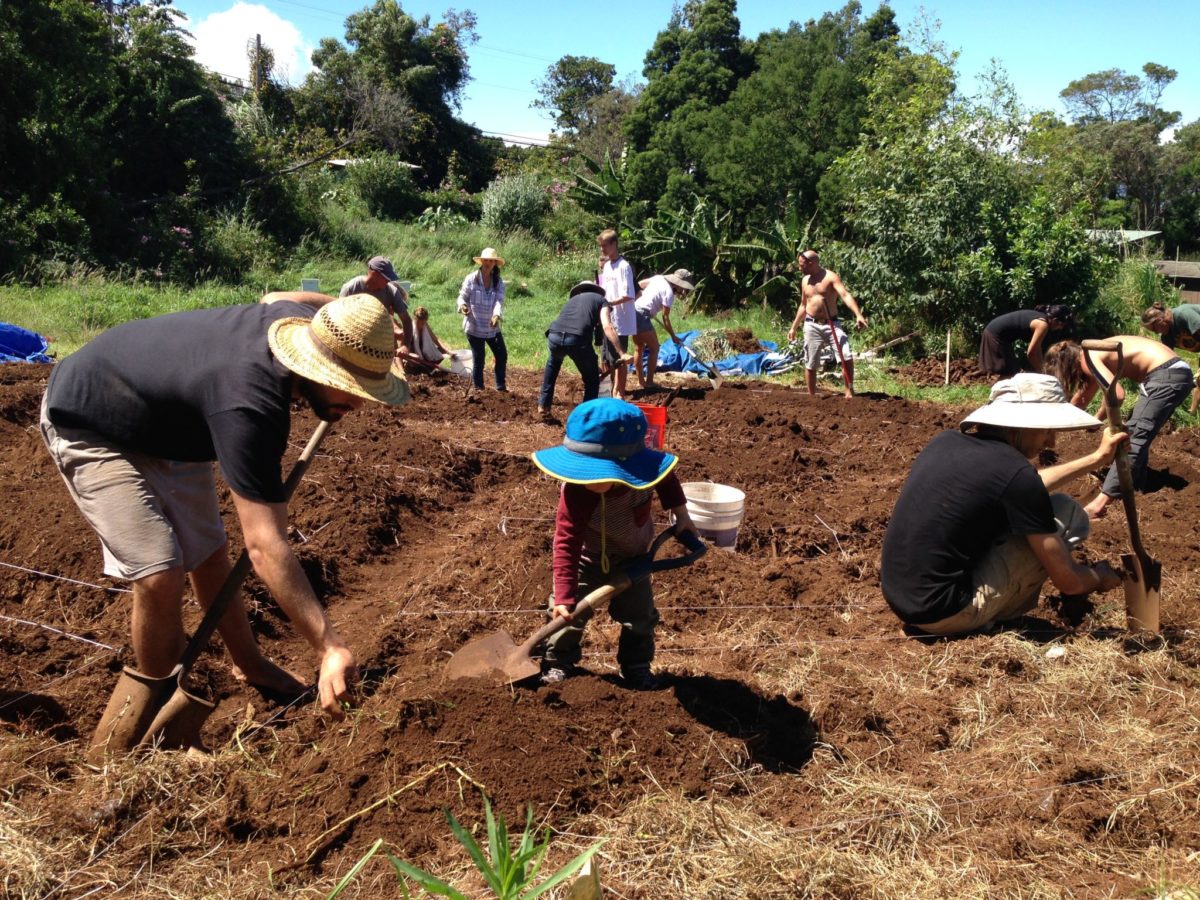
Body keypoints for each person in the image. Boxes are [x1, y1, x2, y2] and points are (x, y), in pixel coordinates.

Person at [39, 295, 410, 718]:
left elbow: (275, 297)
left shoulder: (314, 324)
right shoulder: (248, 403)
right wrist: (329, 647)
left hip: (171, 419)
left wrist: (364, 309)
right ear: (317, 364)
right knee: (160, 572)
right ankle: (155, 718)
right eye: (348, 385)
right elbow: (264, 546)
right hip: (92, 416)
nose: (358, 402)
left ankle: (249, 664)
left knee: (210, 555)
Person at [880, 374, 1126, 636]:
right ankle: (987, 618)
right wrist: (1098, 577)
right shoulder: (1016, 474)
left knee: (1037, 510)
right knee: (1066, 512)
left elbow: (1026, 485)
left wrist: (1097, 459)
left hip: (902, 598)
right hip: (946, 613)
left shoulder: (946, 441)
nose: (1051, 441)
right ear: (1022, 425)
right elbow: (1068, 581)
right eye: (1047, 430)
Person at [530, 399, 699, 689]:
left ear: (625, 465)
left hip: (635, 559)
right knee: (566, 616)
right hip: (588, 561)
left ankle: (636, 667)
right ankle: (557, 661)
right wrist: (563, 597)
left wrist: (681, 515)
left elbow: (667, 479)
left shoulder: (645, 473)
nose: (583, 477)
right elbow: (566, 543)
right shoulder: (576, 492)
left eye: (591, 470)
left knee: (641, 618)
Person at [1045, 336, 1192, 519]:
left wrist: (1097, 420)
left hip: (1164, 375)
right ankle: (1135, 486)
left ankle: (1099, 505)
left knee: (1131, 436)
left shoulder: (1087, 357)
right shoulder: (1092, 352)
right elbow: (1083, 398)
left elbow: (1117, 393)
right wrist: (1054, 424)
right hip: (1177, 372)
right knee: (1140, 432)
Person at [538, 281, 627, 420]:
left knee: (553, 364)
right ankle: (585, 417)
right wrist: (622, 353)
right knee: (592, 380)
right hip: (576, 339)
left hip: (554, 335)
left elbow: (592, 335)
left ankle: (543, 406)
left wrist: (592, 364)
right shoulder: (601, 300)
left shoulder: (573, 300)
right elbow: (607, 327)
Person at [786, 250, 868, 398]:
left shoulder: (830, 277)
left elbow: (845, 295)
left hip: (832, 323)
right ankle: (812, 396)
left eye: (801, 265)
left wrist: (858, 315)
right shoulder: (805, 280)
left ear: (811, 263)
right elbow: (803, 305)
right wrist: (794, 327)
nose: (799, 268)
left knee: (846, 355)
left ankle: (849, 390)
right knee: (811, 362)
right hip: (811, 324)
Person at [340, 256, 418, 364]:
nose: (388, 281)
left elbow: (407, 321)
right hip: (352, 341)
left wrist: (405, 346)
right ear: (374, 274)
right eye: (386, 278)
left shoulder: (391, 291)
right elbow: (339, 316)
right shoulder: (351, 288)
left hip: (378, 345)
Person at [632, 268, 694, 390]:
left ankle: (641, 382)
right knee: (655, 348)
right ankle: (649, 382)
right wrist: (673, 336)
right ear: (678, 283)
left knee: (639, 348)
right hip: (642, 315)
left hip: (634, 311)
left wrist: (640, 299)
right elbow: (666, 318)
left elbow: (639, 284)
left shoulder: (658, 278)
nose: (683, 290)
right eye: (683, 287)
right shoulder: (669, 293)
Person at [457, 247, 508, 392]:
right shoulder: (471, 278)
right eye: (486, 260)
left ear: (495, 263)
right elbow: (462, 296)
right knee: (479, 359)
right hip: (474, 326)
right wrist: (463, 306)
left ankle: (501, 387)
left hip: (492, 326)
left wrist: (496, 315)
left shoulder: (498, 281)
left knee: (501, 354)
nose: (488, 263)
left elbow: (499, 300)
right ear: (481, 261)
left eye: (491, 261)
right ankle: (479, 390)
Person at [978, 305, 1074, 377]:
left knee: (1011, 372)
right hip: (995, 335)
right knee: (1008, 373)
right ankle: (994, 399)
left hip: (999, 335)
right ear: (1055, 320)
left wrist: (1043, 368)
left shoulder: (1041, 319)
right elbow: (1031, 353)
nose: (1060, 328)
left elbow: (1037, 350)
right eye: (1062, 325)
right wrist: (1043, 374)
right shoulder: (1042, 325)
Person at [597, 229, 638, 400]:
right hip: (608, 317)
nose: (602, 250)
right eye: (601, 246)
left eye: (605, 246)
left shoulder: (624, 266)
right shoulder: (606, 266)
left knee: (621, 357)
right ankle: (607, 390)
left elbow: (629, 294)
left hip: (621, 319)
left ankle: (619, 391)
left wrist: (610, 303)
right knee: (606, 355)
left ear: (614, 244)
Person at [410, 306, 453, 371]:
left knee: (442, 355)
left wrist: (447, 351)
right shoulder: (411, 328)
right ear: (415, 319)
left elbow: (435, 339)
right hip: (414, 353)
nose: (421, 325)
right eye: (419, 322)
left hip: (425, 353)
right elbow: (407, 346)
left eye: (423, 323)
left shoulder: (425, 325)